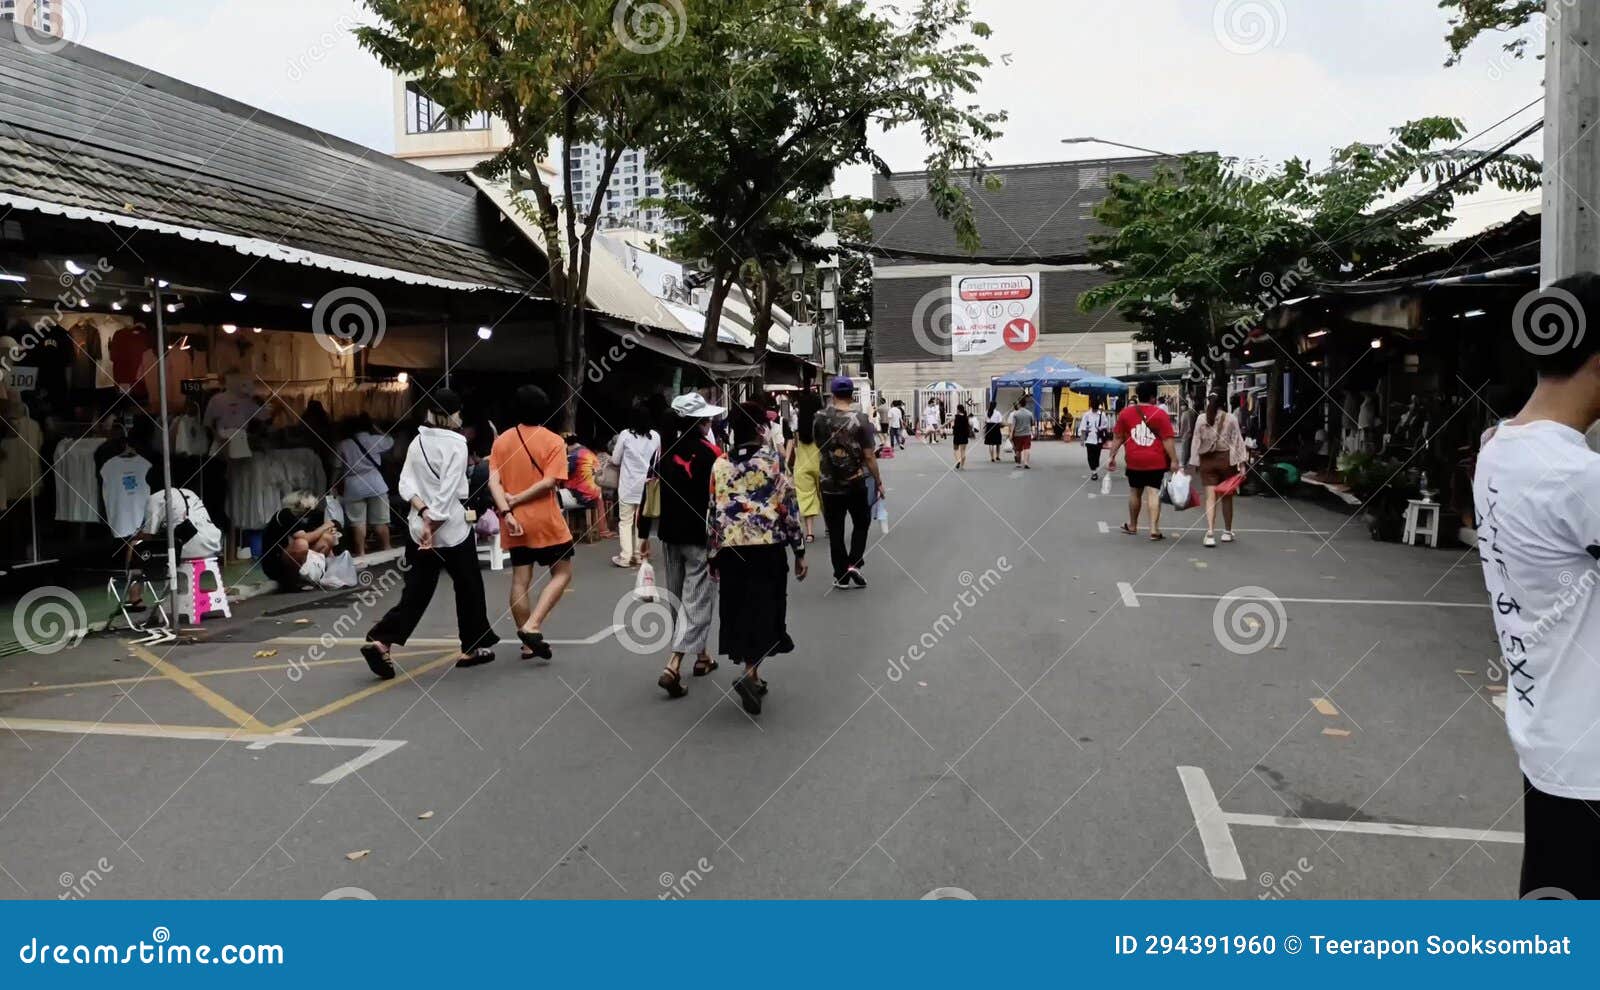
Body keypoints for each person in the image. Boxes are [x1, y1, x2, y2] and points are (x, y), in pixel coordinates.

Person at [362, 389, 499, 678]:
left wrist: (424, 516)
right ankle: (471, 648)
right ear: (452, 415)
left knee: (416, 591)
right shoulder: (458, 444)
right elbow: (449, 490)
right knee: (468, 586)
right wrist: (433, 523)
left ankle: (382, 640)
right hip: (453, 530)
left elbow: (404, 485)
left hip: (418, 526)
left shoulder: (417, 442)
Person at [709, 401, 807, 715]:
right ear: (758, 428)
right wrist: (799, 550)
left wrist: (713, 555)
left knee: (739, 609)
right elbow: (788, 507)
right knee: (766, 607)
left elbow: (713, 512)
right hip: (767, 547)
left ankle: (753, 673)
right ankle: (750, 673)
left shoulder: (720, 464)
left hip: (731, 549)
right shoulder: (773, 461)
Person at [488, 384, 574, 661]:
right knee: (562, 573)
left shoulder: (502, 441)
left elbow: (494, 481)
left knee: (520, 579)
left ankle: (525, 642)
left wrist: (507, 511)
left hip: (515, 522)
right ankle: (533, 625)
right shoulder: (553, 441)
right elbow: (550, 481)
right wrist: (519, 499)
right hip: (546, 520)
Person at [652, 392, 727, 698]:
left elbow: (652, 495)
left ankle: (702, 656)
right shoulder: (713, 454)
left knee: (676, 597)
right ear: (702, 422)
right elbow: (720, 498)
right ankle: (673, 664)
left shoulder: (665, 452)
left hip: (669, 533)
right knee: (698, 598)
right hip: (699, 535)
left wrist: (642, 537)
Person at [815, 376, 886, 589]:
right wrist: (878, 481)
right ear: (852, 394)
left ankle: (841, 575)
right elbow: (870, 456)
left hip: (829, 483)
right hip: (855, 481)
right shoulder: (861, 419)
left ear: (832, 394)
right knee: (862, 522)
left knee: (835, 530)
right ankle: (854, 562)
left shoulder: (818, 417)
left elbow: (819, 446)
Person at [1105, 380, 1178, 540]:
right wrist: (1173, 460)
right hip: (1156, 460)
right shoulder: (1160, 414)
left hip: (1134, 459)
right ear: (1153, 397)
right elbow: (1167, 440)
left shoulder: (1125, 413)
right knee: (1153, 492)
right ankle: (1154, 529)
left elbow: (1117, 437)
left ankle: (1132, 525)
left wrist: (1111, 456)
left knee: (1135, 492)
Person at [1188, 392, 1249, 547]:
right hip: (1226, 460)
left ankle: (1210, 533)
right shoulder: (1231, 418)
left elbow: (1196, 440)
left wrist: (1194, 462)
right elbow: (1238, 441)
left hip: (1207, 460)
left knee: (1210, 498)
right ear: (1224, 403)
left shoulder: (1201, 418)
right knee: (1227, 497)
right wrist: (1242, 464)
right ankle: (1227, 532)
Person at [335, 414, 395, 555]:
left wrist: (333, 484)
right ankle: (387, 547)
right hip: (376, 483)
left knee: (358, 522)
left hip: (353, 485)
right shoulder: (374, 439)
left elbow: (337, 467)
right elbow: (390, 440)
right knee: (381, 520)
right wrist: (375, 427)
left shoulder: (343, 444)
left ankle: (361, 552)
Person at [610, 405, 660, 568]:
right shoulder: (656, 437)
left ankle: (625, 557)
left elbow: (616, 460)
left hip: (628, 486)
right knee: (642, 521)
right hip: (646, 486)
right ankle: (639, 555)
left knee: (625, 522)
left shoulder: (625, 435)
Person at [260, 491, 339, 589]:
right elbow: (305, 538)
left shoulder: (308, 517)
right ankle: (291, 582)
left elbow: (317, 538)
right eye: (311, 498)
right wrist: (325, 526)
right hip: (275, 564)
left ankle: (312, 577)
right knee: (301, 543)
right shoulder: (285, 514)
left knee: (327, 538)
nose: (315, 501)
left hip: (294, 559)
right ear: (301, 500)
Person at [785, 391, 823, 543]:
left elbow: (792, 441)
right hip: (820, 462)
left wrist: (787, 461)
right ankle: (829, 527)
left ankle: (809, 533)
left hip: (802, 464)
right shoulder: (822, 420)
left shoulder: (797, 420)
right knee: (825, 496)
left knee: (806, 497)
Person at [1078, 396, 1112, 480]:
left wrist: (1101, 428)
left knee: (1097, 456)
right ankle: (1094, 472)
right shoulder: (1087, 415)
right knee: (1090, 456)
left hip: (1098, 439)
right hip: (1089, 439)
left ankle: (1095, 468)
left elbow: (1106, 425)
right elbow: (1083, 427)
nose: (1094, 408)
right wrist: (1082, 440)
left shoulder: (1102, 414)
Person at [1007, 398, 1035, 469]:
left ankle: (1019, 463)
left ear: (1019, 404)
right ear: (1025, 404)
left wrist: (1011, 434)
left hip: (1017, 434)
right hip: (1027, 434)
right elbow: (1032, 424)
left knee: (1018, 450)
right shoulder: (1030, 413)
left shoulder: (1016, 414)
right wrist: (1033, 432)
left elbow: (1013, 425)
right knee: (1027, 448)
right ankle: (1026, 463)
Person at [951, 402, 972, 469]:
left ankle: (958, 461)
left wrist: (940, 428)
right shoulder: (966, 417)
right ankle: (962, 466)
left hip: (957, 435)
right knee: (963, 451)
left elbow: (949, 423)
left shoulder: (956, 417)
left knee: (955, 449)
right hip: (964, 435)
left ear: (958, 410)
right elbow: (969, 425)